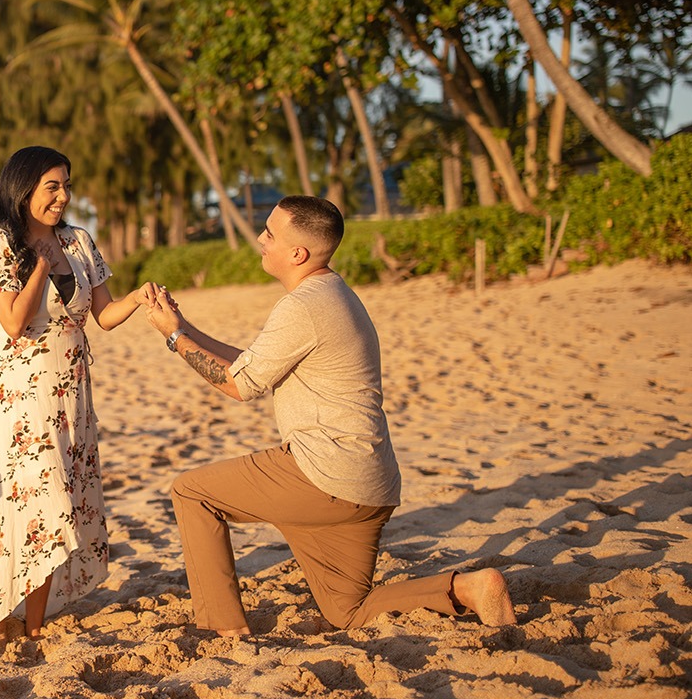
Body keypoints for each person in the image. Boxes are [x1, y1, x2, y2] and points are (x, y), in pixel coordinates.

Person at [142, 195, 516, 636]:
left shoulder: (302, 307)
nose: (261, 240)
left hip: (324, 476)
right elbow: (253, 363)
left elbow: (239, 386)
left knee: (192, 492)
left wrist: (172, 339)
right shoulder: (334, 293)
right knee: (348, 612)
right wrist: (184, 327)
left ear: (297, 253)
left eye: (269, 234)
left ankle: (223, 629)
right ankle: (469, 589)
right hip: (370, 485)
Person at [0, 145, 154, 645]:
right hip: (19, 398)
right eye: (52, 186)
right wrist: (40, 266)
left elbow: (102, 315)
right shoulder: (0, 245)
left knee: (59, 500)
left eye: (66, 185)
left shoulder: (80, 242)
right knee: (31, 503)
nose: (63, 196)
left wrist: (141, 297)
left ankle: (36, 622)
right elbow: (15, 323)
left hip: (71, 393)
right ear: (23, 190)